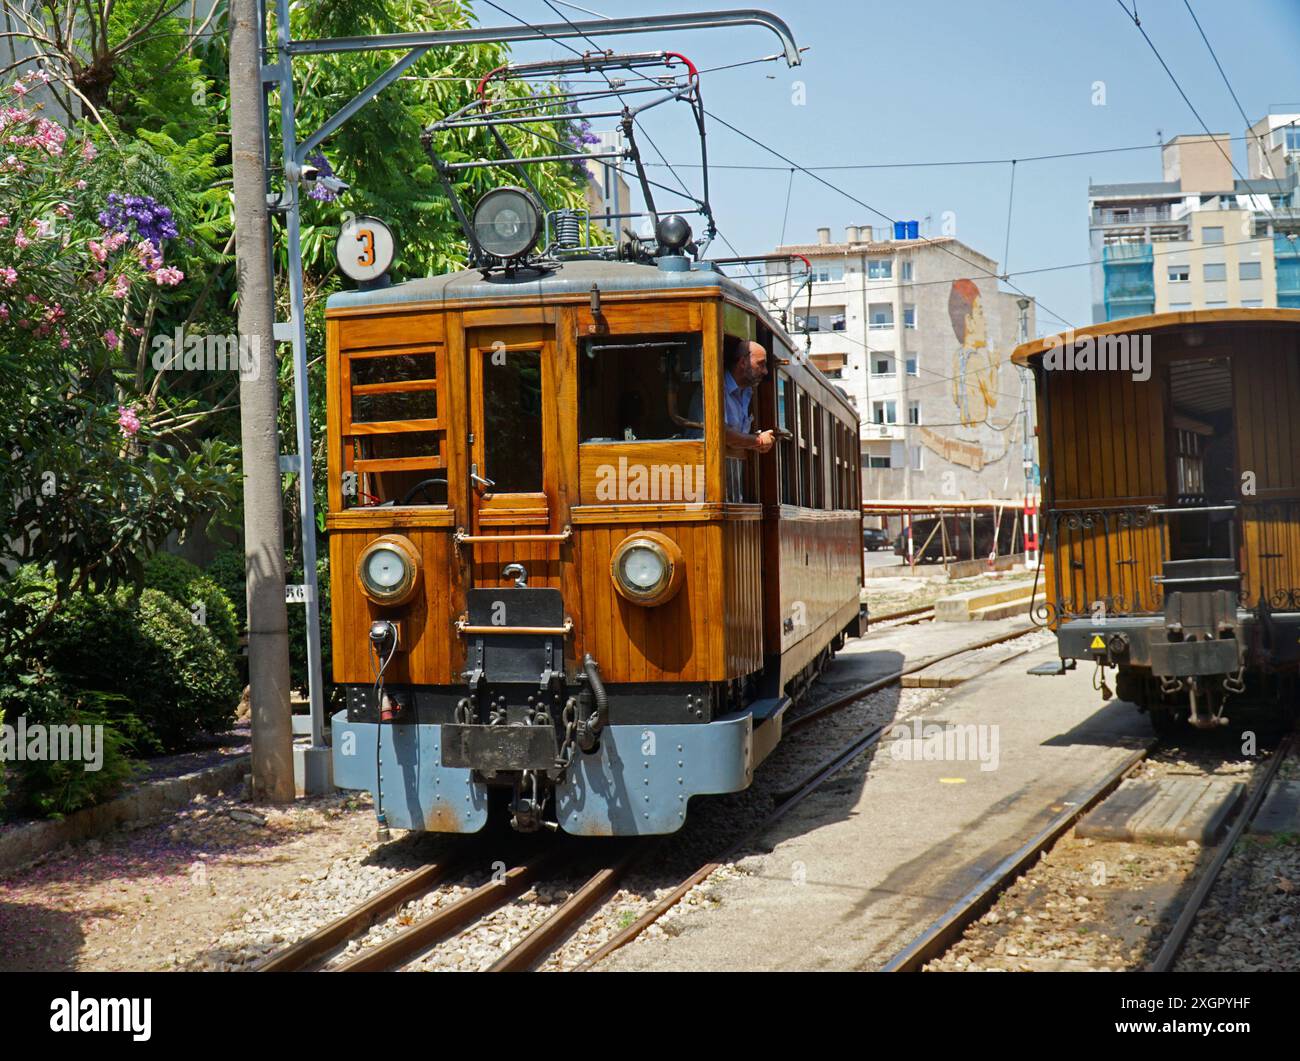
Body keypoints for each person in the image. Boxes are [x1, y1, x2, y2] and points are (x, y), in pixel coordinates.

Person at [683, 337, 775, 452]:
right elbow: (722, 433)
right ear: (742, 363)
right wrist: (758, 441)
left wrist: (754, 441)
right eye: (761, 364)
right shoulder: (714, 388)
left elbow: (736, 439)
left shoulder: (746, 393)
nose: (765, 371)